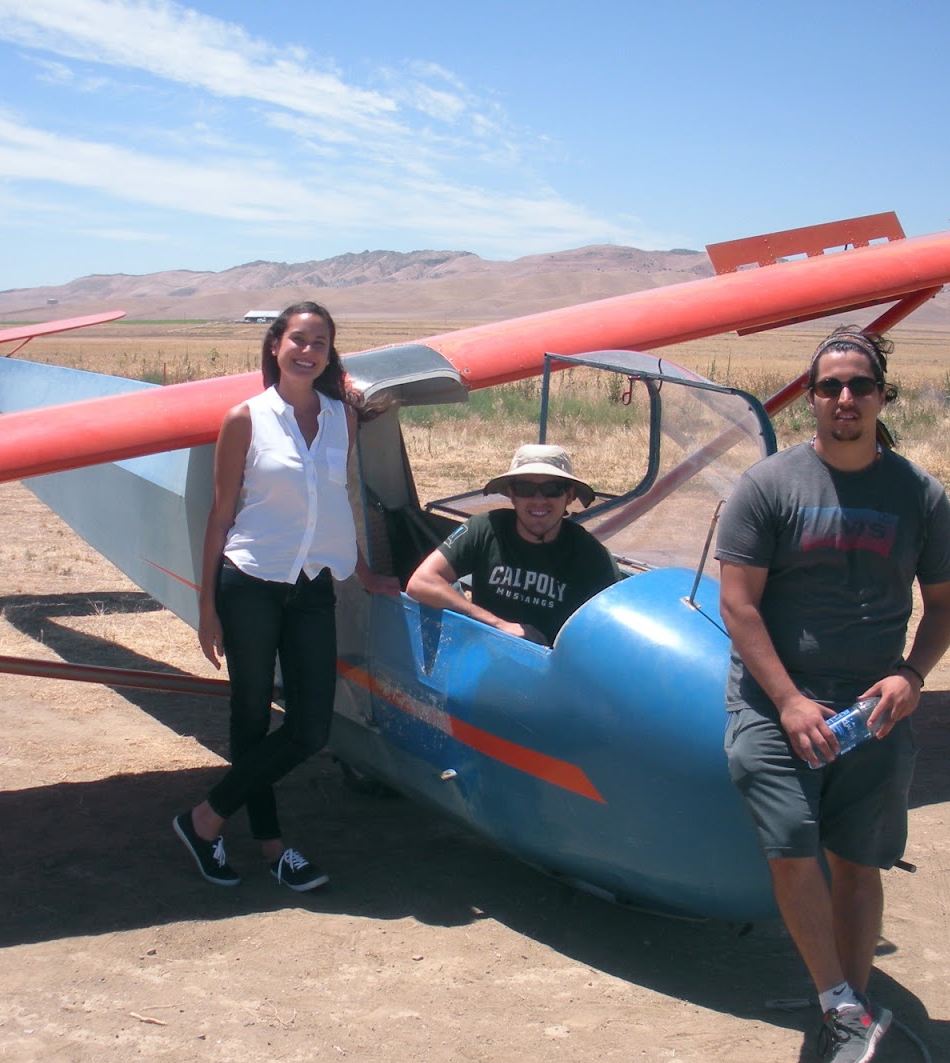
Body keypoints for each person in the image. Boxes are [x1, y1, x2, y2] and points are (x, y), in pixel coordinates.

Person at [716, 326, 950, 1063]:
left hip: (872, 709)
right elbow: (739, 604)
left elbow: (945, 603)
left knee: (860, 859)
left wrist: (910, 676)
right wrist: (788, 699)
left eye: (861, 385)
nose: (845, 399)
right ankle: (840, 1005)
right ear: (812, 397)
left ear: (883, 395)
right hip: (773, 702)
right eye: (830, 387)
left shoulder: (919, 496)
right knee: (793, 844)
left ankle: (847, 1011)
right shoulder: (769, 486)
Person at [172, 301, 399, 892]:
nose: (308, 350)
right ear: (275, 346)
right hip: (249, 582)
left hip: (312, 586)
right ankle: (272, 847)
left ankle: (203, 820)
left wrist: (367, 571)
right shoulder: (244, 418)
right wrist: (206, 610)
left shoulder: (340, 417)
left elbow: (341, 500)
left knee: (309, 728)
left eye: (320, 342)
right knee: (249, 719)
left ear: (329, 354)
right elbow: (220, 515)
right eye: (298, 339)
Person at [405, 444, 619, 646]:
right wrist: (498, 625)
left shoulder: (590, 554)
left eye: (552, 488)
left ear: (569, 496)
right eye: (525, 488)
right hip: (486, 652)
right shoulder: (486, 528)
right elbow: (420, 583)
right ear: (511, 494)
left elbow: (615, 625)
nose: (538, 499)